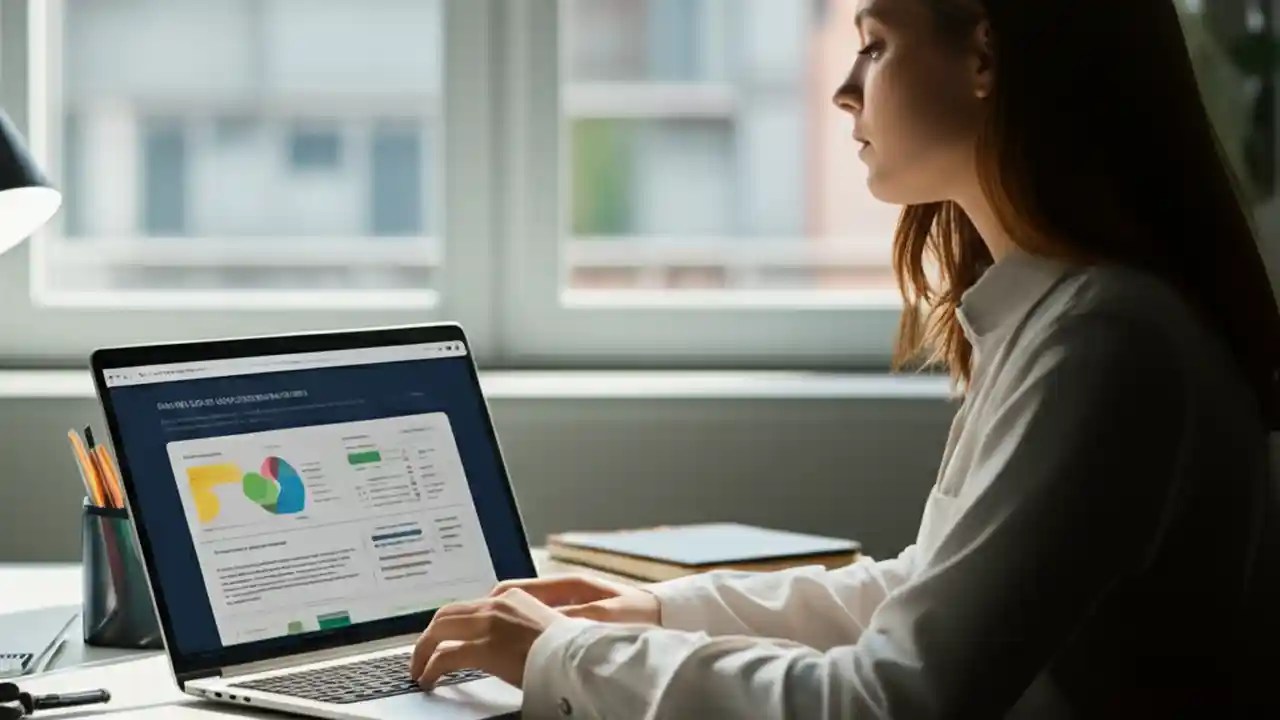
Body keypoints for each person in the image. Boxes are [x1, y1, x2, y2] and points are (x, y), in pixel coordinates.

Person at [410, 0, 1280, 716]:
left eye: (874, 46)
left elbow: (891, 699)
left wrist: (570, 657)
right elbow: (926, 589)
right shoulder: (1068, 320)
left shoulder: (1103, 346)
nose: (842, 89)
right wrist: (657, 608)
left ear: (984, 58)